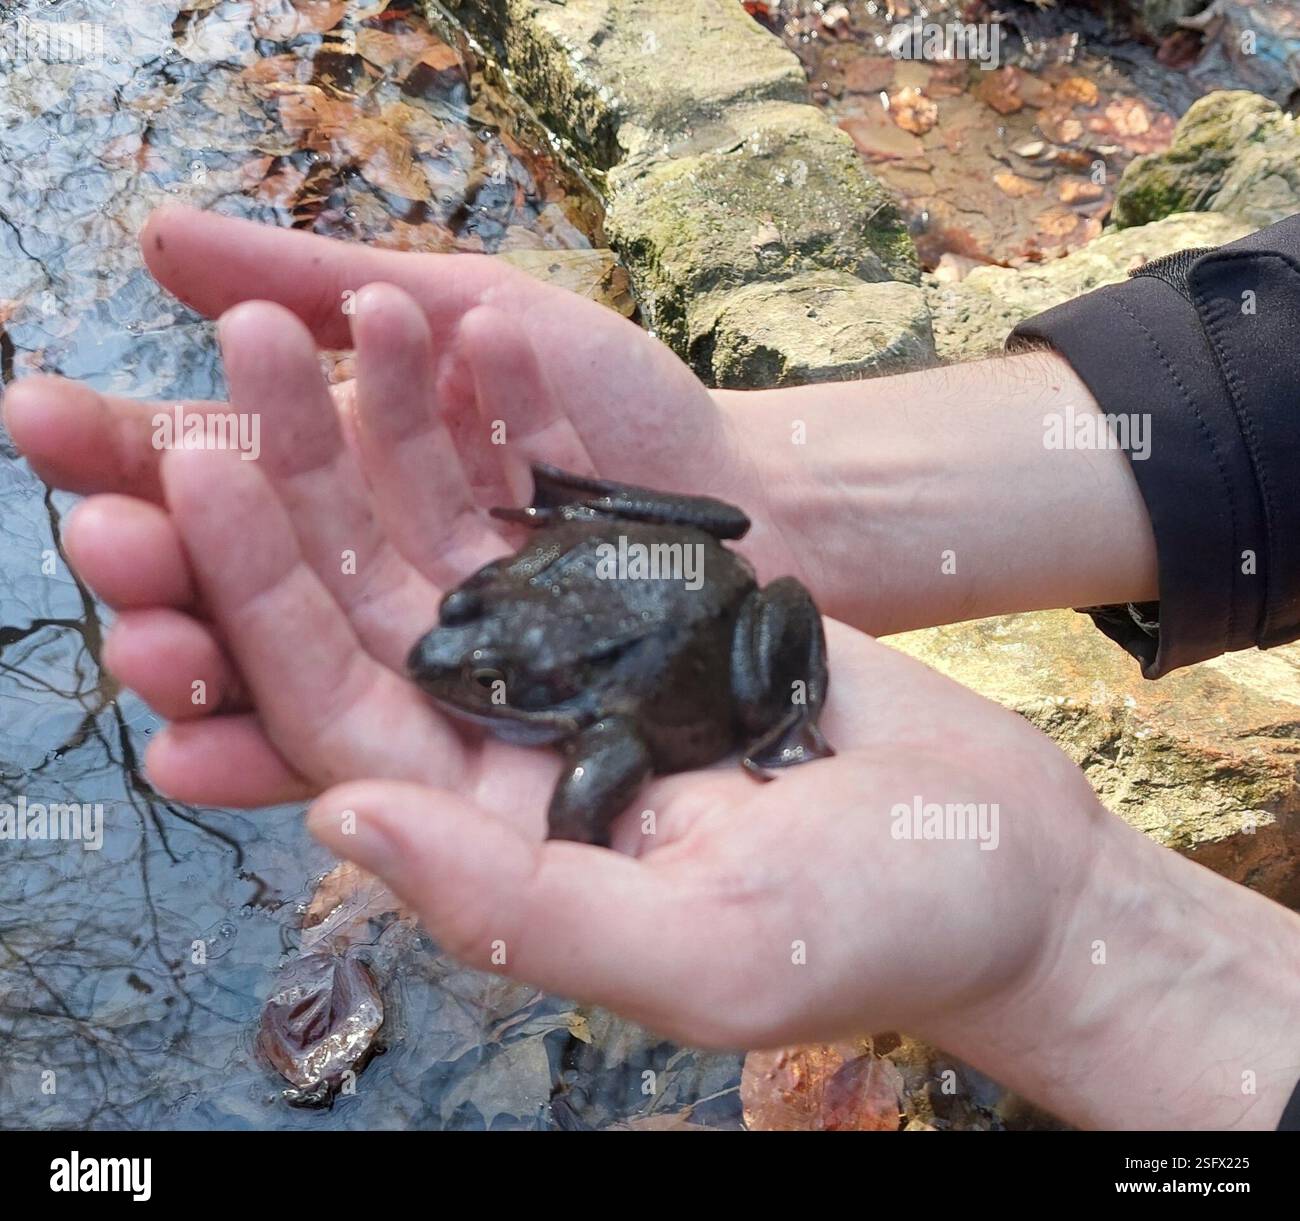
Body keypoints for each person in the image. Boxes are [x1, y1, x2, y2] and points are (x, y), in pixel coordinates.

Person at [5, 205, 1299, 1131]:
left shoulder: (578, 712)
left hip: (721, 635)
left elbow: (613, 750)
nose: (441, 656)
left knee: (762, 656)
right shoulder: (491, 613)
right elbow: (547, 587)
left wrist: (595, 821)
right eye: (460, 631)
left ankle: (780, 721)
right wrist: (763, 489)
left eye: (472, 666)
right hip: (647, 561)